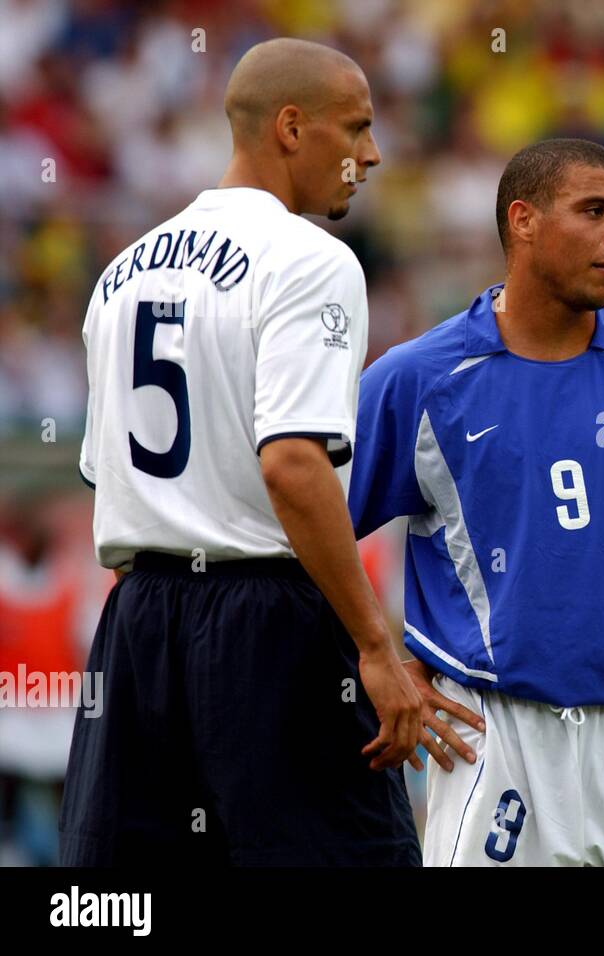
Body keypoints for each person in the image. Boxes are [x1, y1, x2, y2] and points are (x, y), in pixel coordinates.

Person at [60, 37, 479, 866]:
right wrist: (371, 644)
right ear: (291, 127)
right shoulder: (310, 261)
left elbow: (117, 483)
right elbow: (291, 462)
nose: (372, 153)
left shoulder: (119, 275)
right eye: (356, 128)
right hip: (268, 621)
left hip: (141, 621)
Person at [349, 138, 604, 866]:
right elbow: (303, 528)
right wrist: (373, 651)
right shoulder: (420, 379)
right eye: (595, 210)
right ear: (524, 220)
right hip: (494, 730)